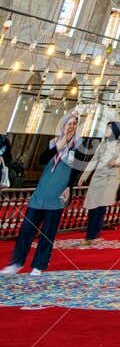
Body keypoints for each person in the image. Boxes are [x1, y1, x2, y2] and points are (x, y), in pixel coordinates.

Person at [2, 112, 81, 276]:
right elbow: (42, 160)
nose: (71, 126)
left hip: (59, 193)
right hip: (42, 192)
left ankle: (39, 265)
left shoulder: (78, 146)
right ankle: (16, 263)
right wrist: (60, 144)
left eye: (74, 123)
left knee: (48, 231)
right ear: (62, 125)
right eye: (69, 123)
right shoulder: (53, 143)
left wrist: (69, 188)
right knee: (26, 230)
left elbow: (76, 171)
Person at [78, 118, 120, 244]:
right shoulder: (102, 144)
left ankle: (92, 236)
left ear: (115, 131)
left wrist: (116, 162)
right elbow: (93, 161)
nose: (106, 130)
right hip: (97, 177)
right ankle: (92, 234)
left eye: (108, 128)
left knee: (100, 207)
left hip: (110, 178)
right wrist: (84, 176)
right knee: (92, 206)